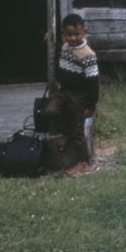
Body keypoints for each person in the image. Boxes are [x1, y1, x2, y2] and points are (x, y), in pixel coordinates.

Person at [47, 13, 99, 175]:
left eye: (77, 34)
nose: (73, 38)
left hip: (79, 95)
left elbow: (93, 83)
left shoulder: (88, 55)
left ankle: (83, 162)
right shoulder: (64, 47)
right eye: (69, 35)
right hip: (64, 92)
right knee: (51, 111)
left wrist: (90, 105)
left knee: (79, 130)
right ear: (63, 33)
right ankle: (66, 133)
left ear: (84, 32)